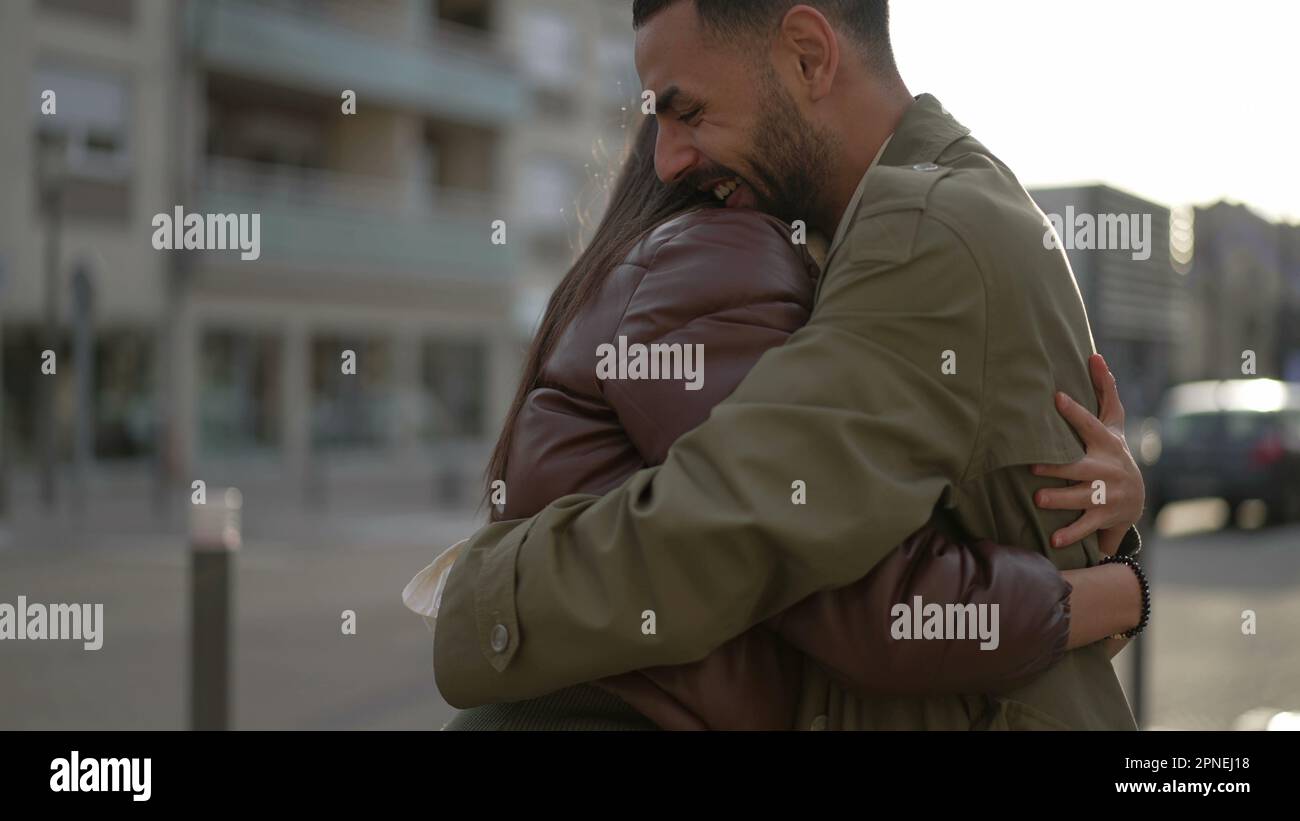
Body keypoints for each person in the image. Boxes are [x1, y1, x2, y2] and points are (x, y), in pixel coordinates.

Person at [424, 0, 1148, 730]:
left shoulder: (919, 228)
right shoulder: (903, 212)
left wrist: (489, 588)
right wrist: (1122, 574)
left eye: (690, 113)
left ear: (808, 55)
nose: (665, 159)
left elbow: (761, 530)